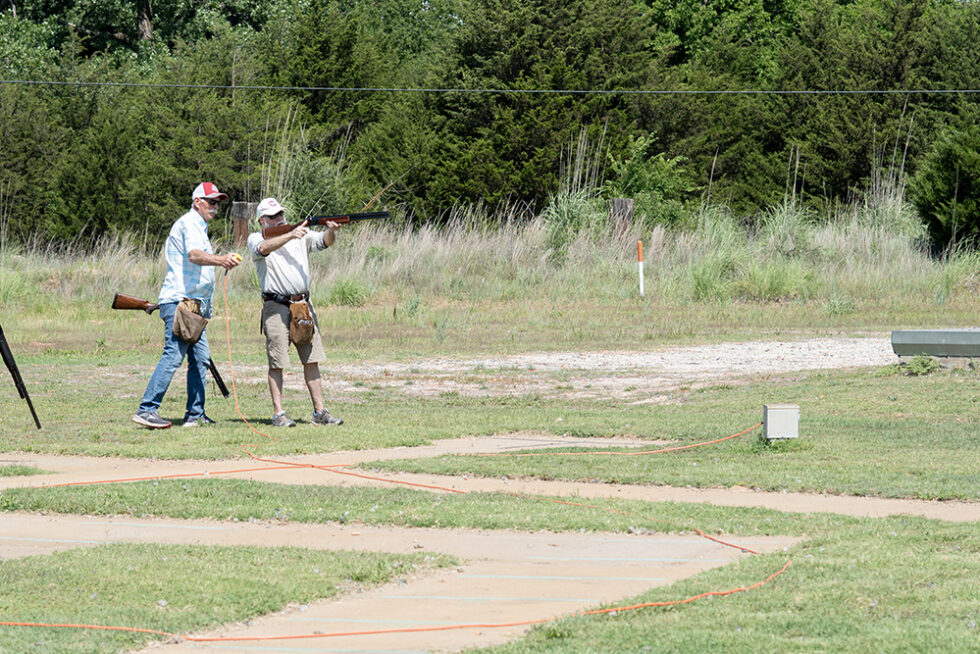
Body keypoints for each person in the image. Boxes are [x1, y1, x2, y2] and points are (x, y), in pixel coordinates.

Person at [132, 182, 242, 429]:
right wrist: (221, 260)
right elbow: (194, 255)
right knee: (173, 355)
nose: (215, 206)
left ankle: (195, 414)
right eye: (210, 201)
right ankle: (147, 409)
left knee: (200, 359)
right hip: (181, 302)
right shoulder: (191, 224)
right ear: (197, 202)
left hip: (193, 305)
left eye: (218, 202)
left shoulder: (198, 226)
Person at [247, 197, 344, 427]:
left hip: (302, 305)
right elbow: (262, 249)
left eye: (280, 214)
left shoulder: (301, 234)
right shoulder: (257, 237)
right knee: (277, 361)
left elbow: (324, 242)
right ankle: (278, 413)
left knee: (312, 359)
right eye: (272, 216)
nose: (278, 218)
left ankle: (320, 412)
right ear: (262, 220)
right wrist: (290, 235)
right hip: (275, 305)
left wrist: (331, 231)